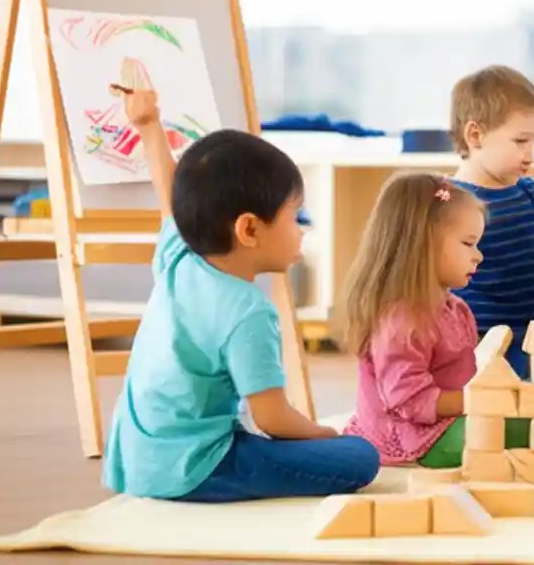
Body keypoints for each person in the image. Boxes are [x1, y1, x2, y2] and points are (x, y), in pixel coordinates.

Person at [103, 88, 379, 503]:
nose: (301, 229)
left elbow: (168, 193)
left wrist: (149, 127)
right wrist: (321, 433)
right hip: (198, 467)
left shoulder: (180, 256)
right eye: (294, 216)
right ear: (249, 229)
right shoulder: (248, 312)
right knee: (360, 456)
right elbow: (271, 418)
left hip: (138, 460)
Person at [341, 173, 534, 466]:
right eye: (469, 243)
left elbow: (469, 371)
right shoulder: (402, 321)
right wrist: (483, 400)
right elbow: (409, 402)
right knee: (530, 425)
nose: (479, 256)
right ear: (422, 243)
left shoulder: (455, 309)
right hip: (415, 436)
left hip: (448, 420)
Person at [448, 65, 534, 379]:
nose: (531, 156)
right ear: (475, 135)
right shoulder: (449, 202)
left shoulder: (527, 190)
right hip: (479, 342)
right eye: (521, 141)